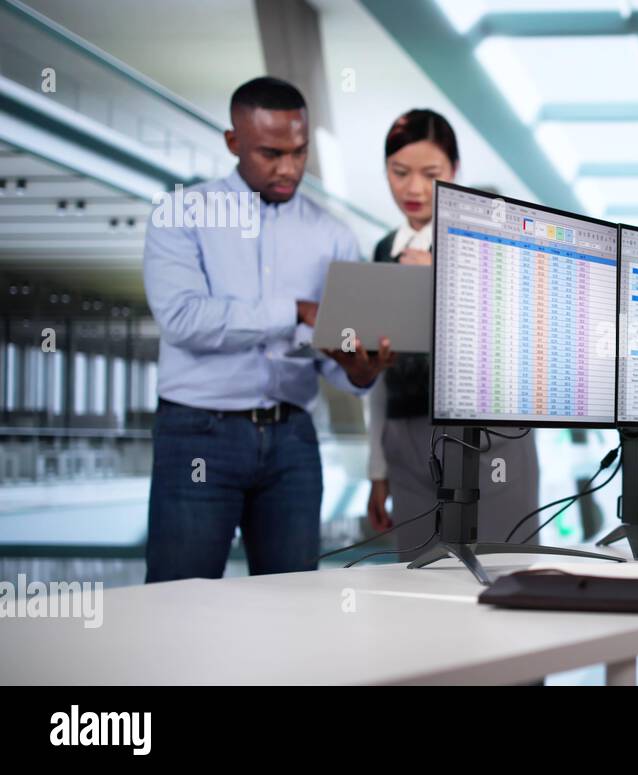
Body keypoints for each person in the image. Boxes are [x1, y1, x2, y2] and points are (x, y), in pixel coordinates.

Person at [143, 77, 394, 582]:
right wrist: (295, 310)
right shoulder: (182, 215)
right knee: (177, 603)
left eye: (300, 152)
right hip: (198, 433)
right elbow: (183, 319)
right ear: (233, 142)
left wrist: (359, 371)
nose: (289, 168)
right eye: (271, 153)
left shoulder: (333, 235)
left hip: (293, 440)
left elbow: (334, 352)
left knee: (294, 603)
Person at [365, 109, 540, 556]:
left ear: (455, 172)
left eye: (431, 173)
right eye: (400, 173)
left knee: (507, 570)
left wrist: (443, 276)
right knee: (421, 586)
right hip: (408, 441)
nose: (414, 188)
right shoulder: (386, 250)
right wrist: (378, 469)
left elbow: (523, 323)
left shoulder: (490, 223)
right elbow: (381, 374)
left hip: (489, 435)